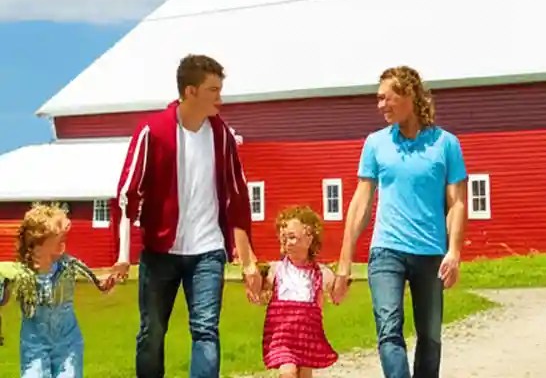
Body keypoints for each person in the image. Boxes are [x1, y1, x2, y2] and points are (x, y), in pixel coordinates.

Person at [107, 53, 262, 378]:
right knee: (152, 334)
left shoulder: (222, 137)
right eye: (213, 90)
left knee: (206, 332)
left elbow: (238, 197)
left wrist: (247, 260)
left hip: (208, 251)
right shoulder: (153, 131)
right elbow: (126, 196)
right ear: (190, 92)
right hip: (160, 252)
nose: (220, 98)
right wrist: (122, 256)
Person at [331, 66, 468, 378]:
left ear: (409, 95)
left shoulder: (446, 144)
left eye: (386, 98)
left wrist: (455, 251)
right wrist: (344, 260)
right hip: (386, 251)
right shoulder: (376, 143)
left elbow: (457, 202)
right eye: (378, 99)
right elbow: (361, 202)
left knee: (430, 337)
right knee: (389, 331)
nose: (380, 105)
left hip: (431, 252)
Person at [0, 203, 117, 377]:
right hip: (34, 344)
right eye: (58, 241)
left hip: (68, 342)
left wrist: (102, 284)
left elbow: (91, 276)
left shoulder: (67, 264)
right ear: (37, 244)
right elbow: (3, 298)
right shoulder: (21, 273)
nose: (63, 246)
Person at [260, 204, 339, 376]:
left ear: (309, 238)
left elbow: (336, 293)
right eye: (284, 238)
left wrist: (341, 282)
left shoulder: (319, 274)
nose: (288, 243)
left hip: (307, 337)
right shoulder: (277, 270)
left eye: (292, 237)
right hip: (281, 337)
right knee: (288, 372)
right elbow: (261, 292)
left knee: (304, 373)